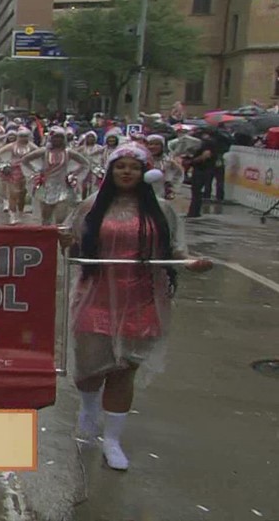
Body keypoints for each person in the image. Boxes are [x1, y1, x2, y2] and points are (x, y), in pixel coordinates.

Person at [60, 143, 212, 470]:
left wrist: (191, 262)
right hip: (95, 297)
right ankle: (88, 410)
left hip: (141, 299)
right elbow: (71, 246)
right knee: (89, 369)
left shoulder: (161, 210)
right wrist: (62, 243)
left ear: (144, 172)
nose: (126, 172)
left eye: (133, 167)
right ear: (111, 171)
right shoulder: (90, 207)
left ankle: (112, 439)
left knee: (124, 368)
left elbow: (175, 249)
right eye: (120, 166)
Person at [0, 128, 35, 225]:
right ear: (18, 137)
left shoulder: (31, 146)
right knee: (13, 194)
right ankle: (12, 216)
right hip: (13, 173)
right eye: (21, 136)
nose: (23, 138)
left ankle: (20, 213)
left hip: (26, 173)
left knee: (23, 194)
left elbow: (40, 154)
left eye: (25, 136)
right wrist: (4, 164)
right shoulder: (11, 146)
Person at [186, 129, 218, 218]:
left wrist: (192, 161)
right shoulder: (212, 142)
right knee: (197, 192)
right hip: (207, 169)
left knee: (196, 192)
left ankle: (193, 213)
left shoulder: (207, 143)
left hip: (202, 169)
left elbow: (206, 155)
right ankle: (194, 212)